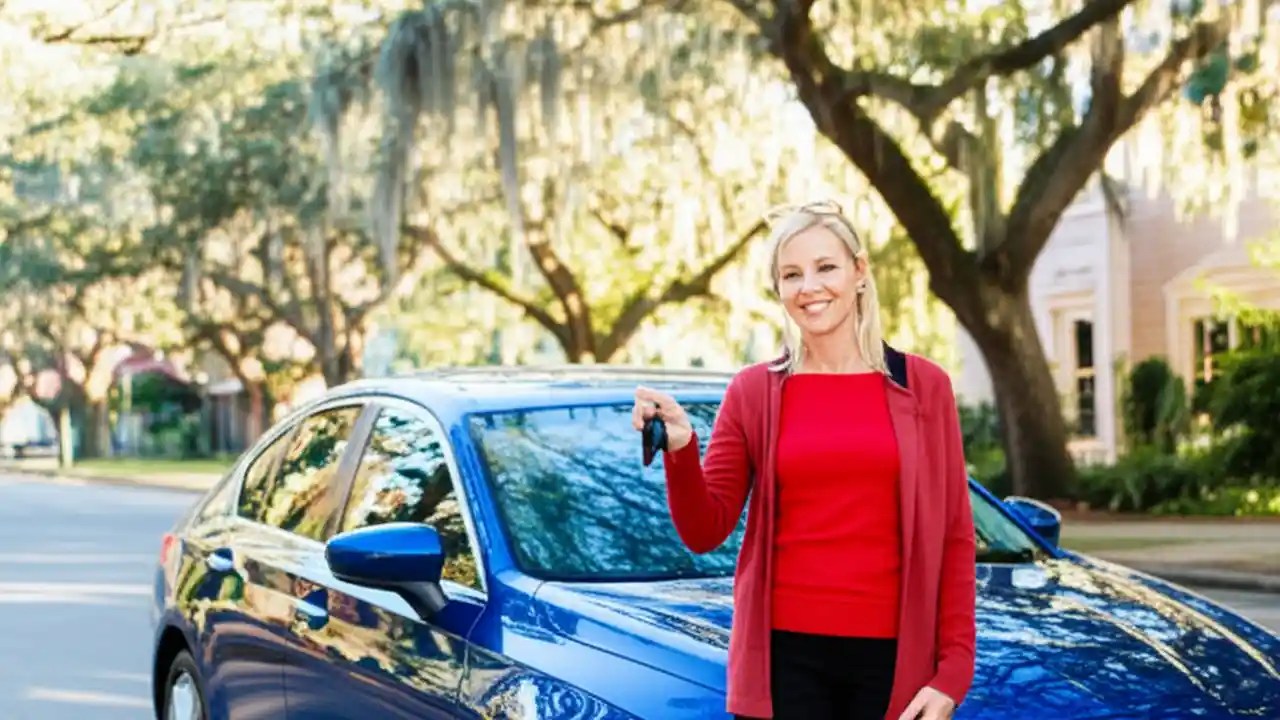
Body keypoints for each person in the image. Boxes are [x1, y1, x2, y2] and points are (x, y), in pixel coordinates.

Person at [632, 200, 976, 720]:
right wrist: (681, 449)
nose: (809, 287)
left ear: (859, 271)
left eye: (826, 267)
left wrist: (953, 672)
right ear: (779, 290)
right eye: (791, 274)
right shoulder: (754, 392)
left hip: (893, 665)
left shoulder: (925, 387)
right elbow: (705, 529)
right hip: (783, 662)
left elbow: (954, 535)